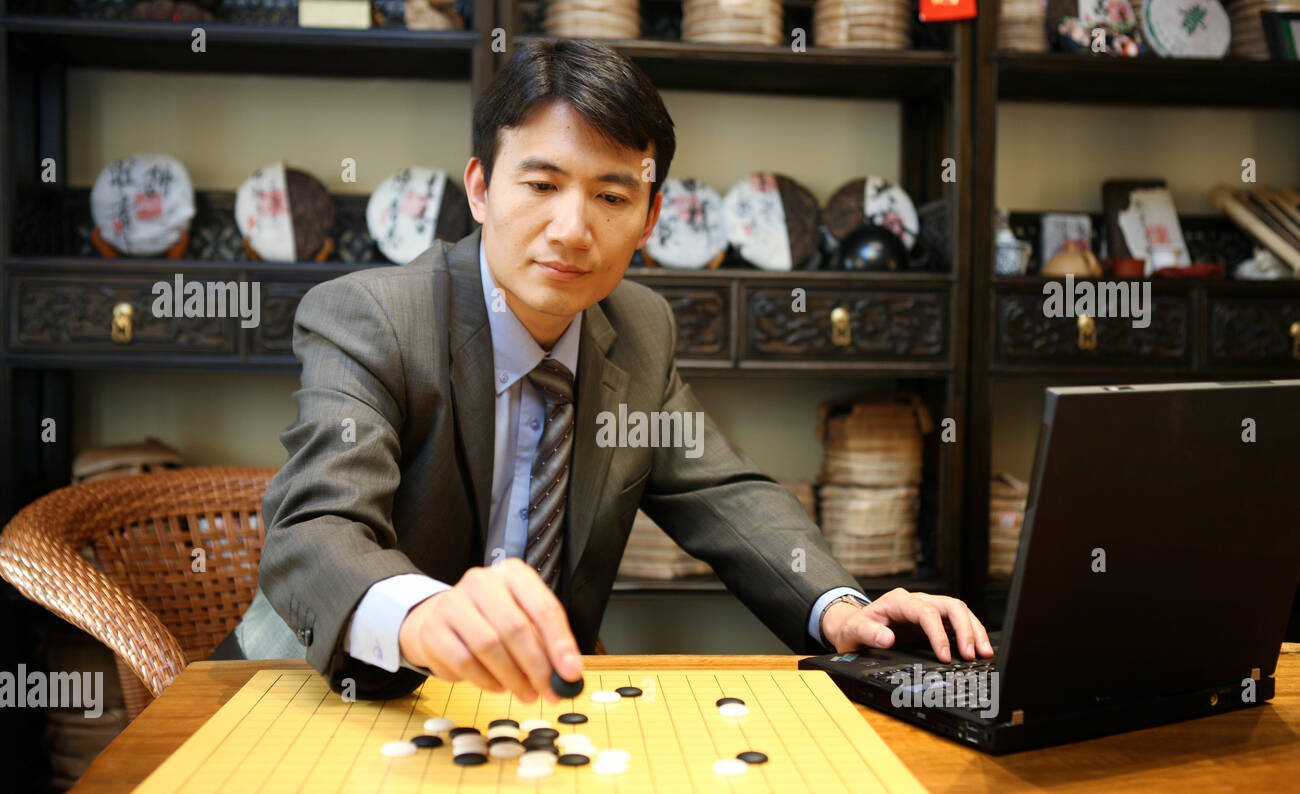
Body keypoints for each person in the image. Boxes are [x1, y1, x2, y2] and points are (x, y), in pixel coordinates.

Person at [219, 37, 991, 701]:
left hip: (529, 706)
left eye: (611, 195)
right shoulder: (372, 316)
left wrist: (842, 609)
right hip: (326, 686)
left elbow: (724, 491)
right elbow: (315, 527)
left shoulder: (638, 328)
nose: (571, 229)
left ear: (649, 220)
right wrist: (421, 615)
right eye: (542, 184)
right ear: (482, 189)